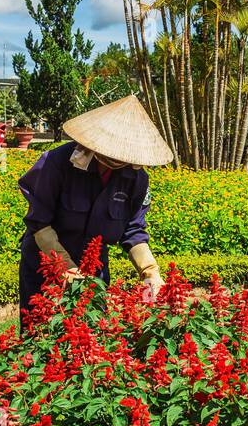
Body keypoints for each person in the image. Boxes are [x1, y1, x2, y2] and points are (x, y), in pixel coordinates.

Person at [16, 94, 173, 331]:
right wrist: (66, 270)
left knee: (92, 332)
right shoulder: (57, 163)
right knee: (41, 334)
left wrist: (149, 272)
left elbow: (133, 229)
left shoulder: (136, 178)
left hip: (95, 267)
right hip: (45, 263)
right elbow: (39, 223)